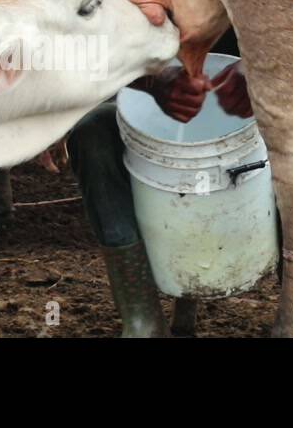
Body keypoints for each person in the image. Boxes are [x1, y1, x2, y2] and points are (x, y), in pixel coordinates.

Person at [67, 55, 252, 337]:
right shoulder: (146, 10)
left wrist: (261, 65)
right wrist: (151, 78)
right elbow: (90, 47)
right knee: (91, 133)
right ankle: (142, 317)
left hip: (256, 126)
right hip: (152, 116)